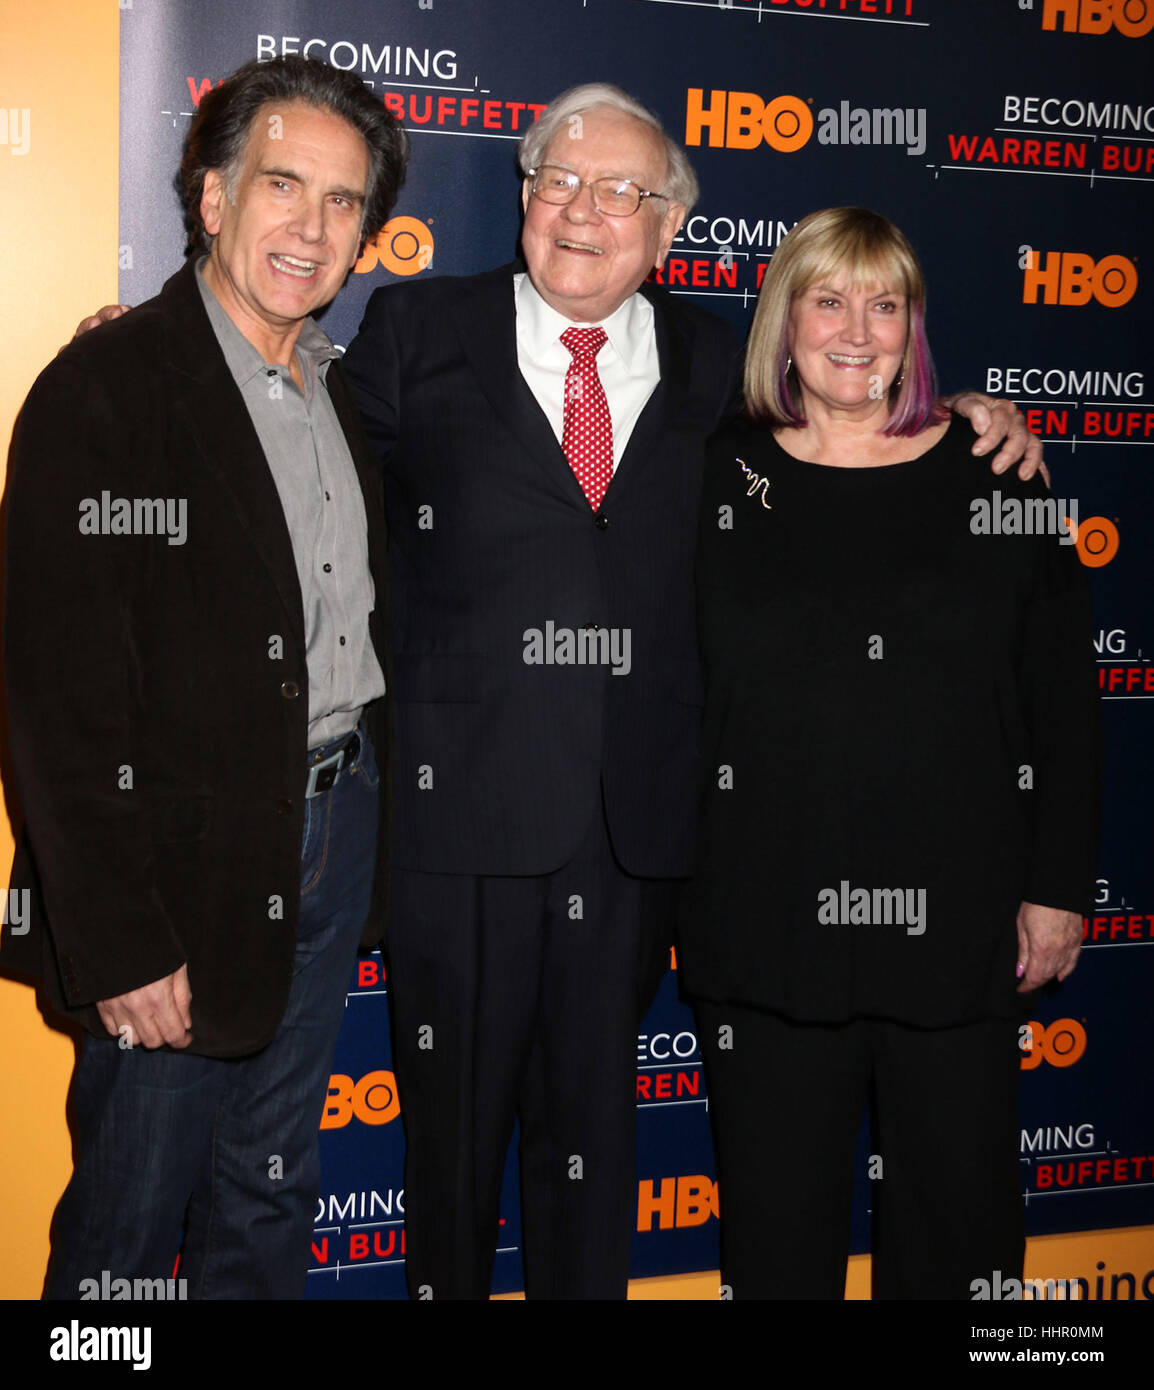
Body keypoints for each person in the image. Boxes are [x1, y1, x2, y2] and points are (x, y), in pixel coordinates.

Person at [340, 88, 1043, 1300]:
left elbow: (855, 410)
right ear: (521, 194)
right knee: (448, 1163)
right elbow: (301, 440)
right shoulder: (411, 330)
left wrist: (978, 410)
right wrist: (182, 349)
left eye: (625, 193)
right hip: (456, 831)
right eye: (560, 180)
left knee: (591, 1156)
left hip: (635, 836)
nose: (584, 211)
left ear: (667, 232)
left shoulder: (719, 359)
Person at [1, 56, 405, 1299]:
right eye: (282, 185)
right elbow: (59, 705)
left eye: (343, 203)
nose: (311, 226)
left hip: (330, 842)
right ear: (212, 197)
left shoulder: (344, 391)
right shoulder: (109, 390)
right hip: (170, 882)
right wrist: (117, 938)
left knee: (265, 1199)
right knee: (125, 1231)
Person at [681, 206, 1100, 1300]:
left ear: (913, 326)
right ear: (783, 319)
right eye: (828, 298)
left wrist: (1055, 889)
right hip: (763, 935)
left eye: (884, 303)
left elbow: (1062, 700)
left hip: (955, 935)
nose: (855, 330)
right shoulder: (713, 474)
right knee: (774, 1254)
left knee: (958, 1249)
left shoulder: (993, 470)